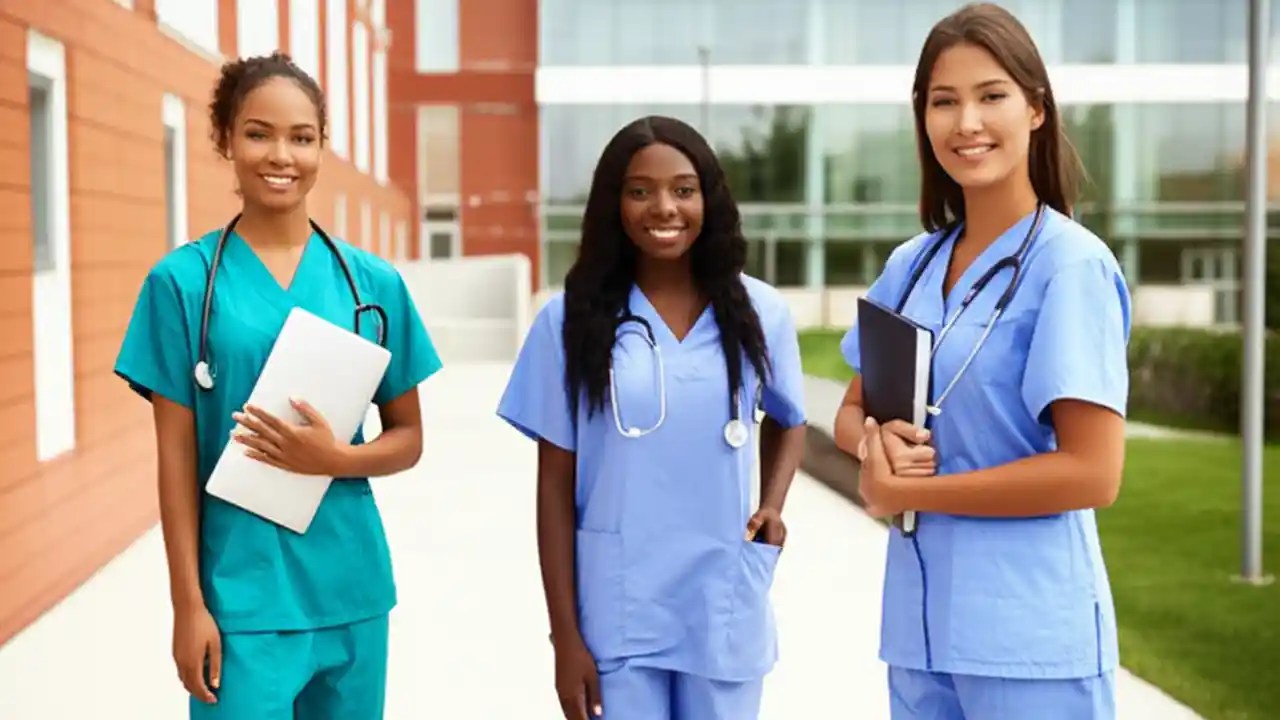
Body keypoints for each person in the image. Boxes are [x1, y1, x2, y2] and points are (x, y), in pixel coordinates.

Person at [113, 52, 441, 718]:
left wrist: (336, 459)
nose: (280, 155)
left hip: (353, 594)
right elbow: (174, 460)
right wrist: (187, 605)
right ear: (225, 140)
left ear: (323, 145)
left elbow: (408, 439)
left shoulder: (372, 286)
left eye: (302, 137)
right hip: (241, 598)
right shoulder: (182, 284)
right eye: (259, 133)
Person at [833, 5, 1129, 719]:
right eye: (944, 101)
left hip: (1030, 641)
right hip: (921, 634)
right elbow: (850, 410)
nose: (966, 122)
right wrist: (875, 444)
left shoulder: (1071, 266)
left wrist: (911, 493)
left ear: (1034, 109)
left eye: (990, 95)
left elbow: (1094, 472)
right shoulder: (912, 265)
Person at [496, 115, 807, 720]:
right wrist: (565, 639)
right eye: (640, 190)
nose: (663, 207)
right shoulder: (568, 323)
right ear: (614, 203)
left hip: (721, 599)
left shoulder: (759, 312)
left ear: (708, 199)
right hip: (620, 609)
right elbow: (554, 485)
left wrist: (773, 503)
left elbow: (790, 418)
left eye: (683, 190)